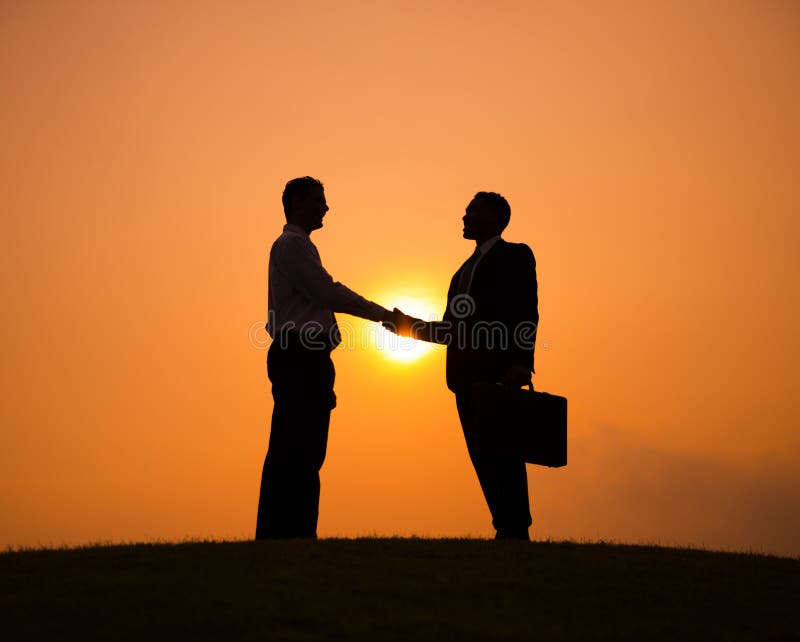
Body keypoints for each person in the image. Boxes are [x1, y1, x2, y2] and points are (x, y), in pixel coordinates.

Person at [386, 192, 538, 540]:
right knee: (482, 456)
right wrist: (406, 326)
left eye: (472, 211)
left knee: (505, 454)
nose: (464, 217)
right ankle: (506, 526)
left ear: (495, 218)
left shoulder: (515, 255)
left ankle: (515, 528)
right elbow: (451, 330)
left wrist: (520, 361)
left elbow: (526, 309)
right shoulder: (461, 273)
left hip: (498, 373)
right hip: (464, 380)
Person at [256, 176, 402, 539]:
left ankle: (287, 532)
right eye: (319, 200)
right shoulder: (292, 245)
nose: (326, 207)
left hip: (306, 356)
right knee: (299, 449)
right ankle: (291, 533)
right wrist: (383, 314)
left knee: (300, 447)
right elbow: (328, 292)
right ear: (296, 202)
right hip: (300, 356)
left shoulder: (297, 245)